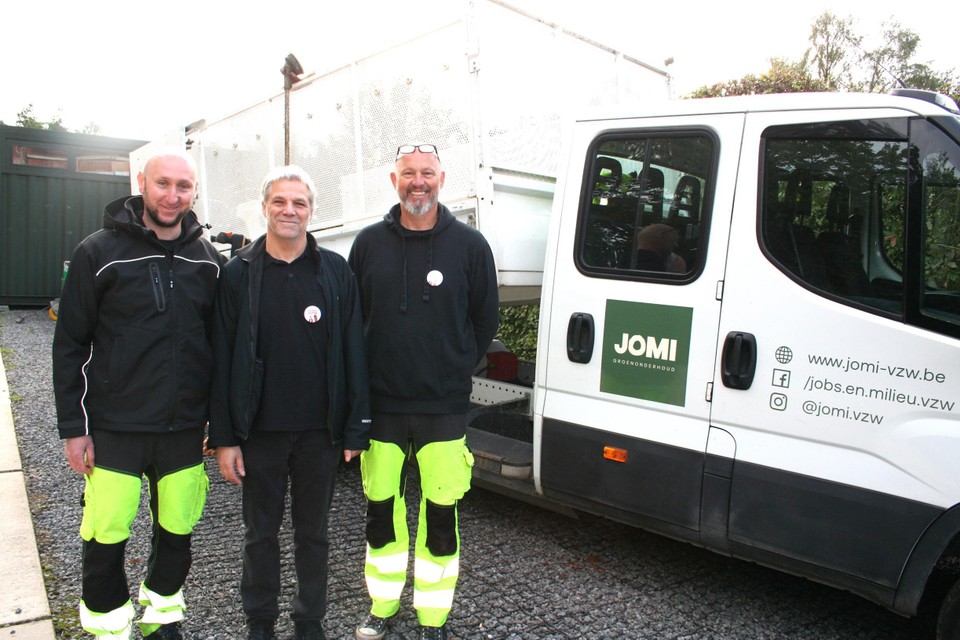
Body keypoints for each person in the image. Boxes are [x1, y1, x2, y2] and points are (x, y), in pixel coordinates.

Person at [52, 150, 224, 640]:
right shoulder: (98, 253)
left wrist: (220, 422)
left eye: (184, 187)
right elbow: (70, 346)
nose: (173, 196)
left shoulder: (207, 260)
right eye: (163, 184)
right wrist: (74, 428)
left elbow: (221, 347)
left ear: (194, 192)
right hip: (115, 429)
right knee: (106, 534)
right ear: (141, 183)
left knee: (177, 532)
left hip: (184, 430)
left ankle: (163, 619)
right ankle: (109, 628)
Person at [207, 165, 371, 640]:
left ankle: (308, 622)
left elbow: (353, 352)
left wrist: (356, 428)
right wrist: (224, 439)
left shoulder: (335, 272)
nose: (289, 211)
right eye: (280, 202)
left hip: (319, 434)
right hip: (258, 432)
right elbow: (222, 358)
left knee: (313, 535)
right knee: (260, 536)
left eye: (299, 203)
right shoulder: (238, 275)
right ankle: (260, 623)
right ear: (264, 208)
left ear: (311, 212)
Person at [349, 144, 499, 640]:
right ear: (394, 180)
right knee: (380, 515)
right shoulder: (368, 244)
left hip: (443, 407)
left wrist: (455, 365)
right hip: (382, 406)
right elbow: (353, 322)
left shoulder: (471, 246)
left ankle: (432, 617)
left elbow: (485, 321)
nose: (419, 181)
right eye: (409, 173)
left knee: (439, 517)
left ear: (442, 179)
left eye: (427, 173)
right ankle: (383, 607)